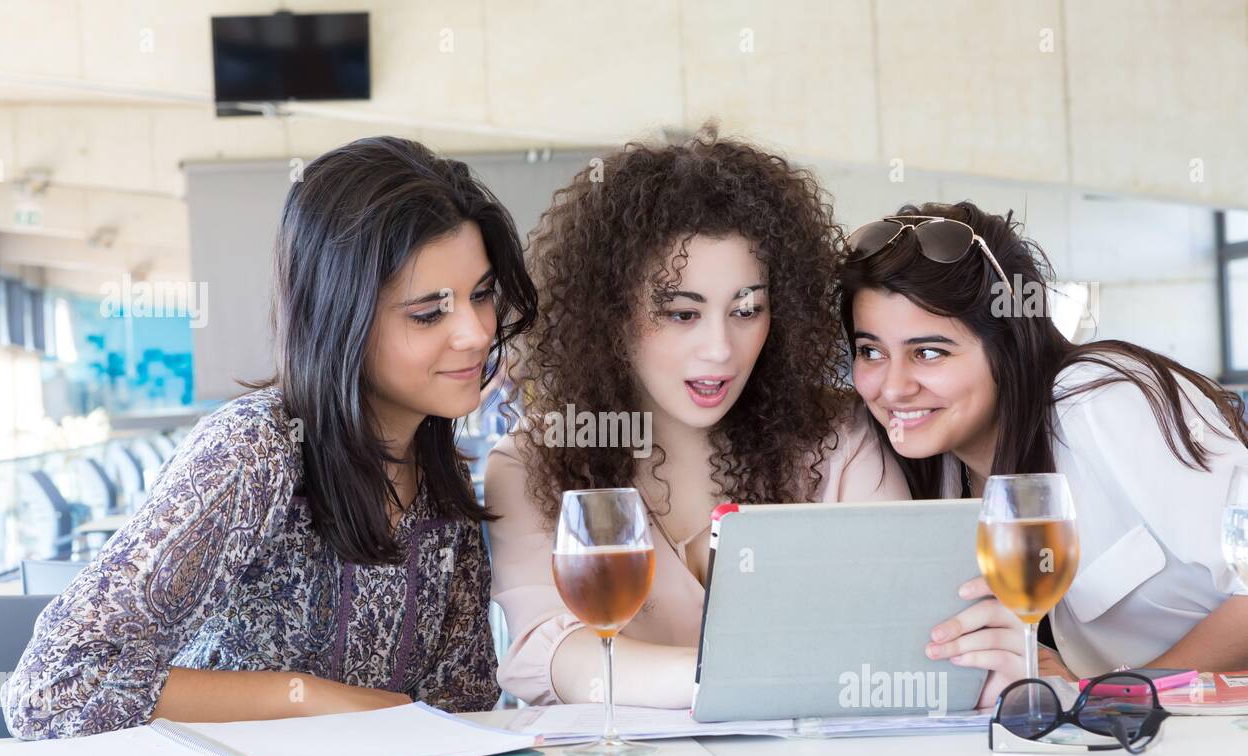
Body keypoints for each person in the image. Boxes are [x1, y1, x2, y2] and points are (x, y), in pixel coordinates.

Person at [3, 136, 537, 739]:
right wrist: (303, 697)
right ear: (341, 319)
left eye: (482, 294)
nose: (475, 332)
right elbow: (53, 689)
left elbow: (459, 712)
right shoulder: (254, 452)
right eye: (428, 313)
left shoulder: (441, 476)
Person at [486, 128, 909, 710]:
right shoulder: (534, 463)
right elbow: (553, 656)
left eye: (747, 310)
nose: (720, 348)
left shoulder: (840, 440)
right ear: (609, 316)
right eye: (682, 313)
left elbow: (901, 624)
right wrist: (739, 680)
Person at [839, 200, 1248, 685]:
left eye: (929, 352)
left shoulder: (1099, 399)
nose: (892, 387)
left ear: (1007, 342)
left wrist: (1112, 692)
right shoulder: (936, 471)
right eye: (870, 351)